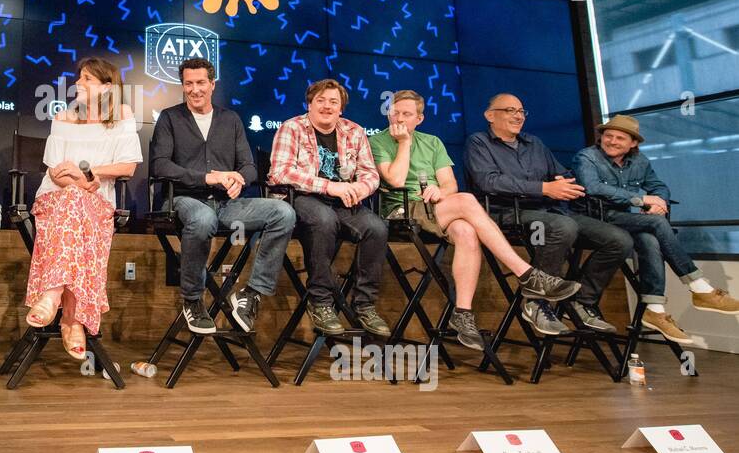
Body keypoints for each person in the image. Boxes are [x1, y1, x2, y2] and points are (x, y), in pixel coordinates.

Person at [369, 90, 580, 349]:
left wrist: (440, 191)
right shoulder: (377, 141)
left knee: (467, 231)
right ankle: (526, 273)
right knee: (468, 201)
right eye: (395, 112)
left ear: (420, 119)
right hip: (400, 211)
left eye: (407, 114)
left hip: (437, 208)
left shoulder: (432, 142)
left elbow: (450, 185)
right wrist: (403, 142)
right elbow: (396, 180)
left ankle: (463, 314)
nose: (399, 118)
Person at [464, 93, 633, 336]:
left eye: (521, 111)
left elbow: (559, 174)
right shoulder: (478, 142)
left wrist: (567, 184)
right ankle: (536, 300)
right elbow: (488, 182)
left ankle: (582, 301)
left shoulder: (535, 143)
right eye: (510, 110)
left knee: (620, 240)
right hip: (509, 215)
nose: (518, 116)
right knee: (562, 227)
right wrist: (544, 188)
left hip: (549, 211)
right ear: (490, 115)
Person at [149, 57, 295, 334]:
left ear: (212, 84)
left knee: (283, 212)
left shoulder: (230, 119)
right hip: (182, 199)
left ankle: (251, 293)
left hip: (227, 203)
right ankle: (192, 300)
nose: (195, 89)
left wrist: (241, 179)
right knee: (203, 218)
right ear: (183, 86)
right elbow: (160, 165)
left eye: (200, 82)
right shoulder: (170, 117)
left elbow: (250, 166)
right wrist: (207, 177)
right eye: (188, 84)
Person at [573, 114, 739, 344]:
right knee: (657, 224)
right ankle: (699, 287)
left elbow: (658, 186)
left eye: (619, 138)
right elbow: (592, 187)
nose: (611, 141)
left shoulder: (640, 162)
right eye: (608, 136)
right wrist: (641, 201)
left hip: (622, 218)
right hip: (593, 218)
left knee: (650, 238)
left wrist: (659, 201)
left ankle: (655, 309)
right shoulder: (587, 156)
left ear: (633, 144)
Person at [24, 58, 142, 359]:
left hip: (97, 207)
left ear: (107, 86)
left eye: (87, 79)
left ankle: (51, 297)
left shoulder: (123, 116)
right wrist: (78, 181)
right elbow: (54, 172)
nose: (78, 83)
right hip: (54, 201)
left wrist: (89, 174)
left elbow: (127, 166)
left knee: (78, 203)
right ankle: (73, 321)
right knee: (73, 199)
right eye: (79, 77)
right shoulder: (63, 117)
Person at [267, 78, 389, 337]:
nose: (327, 106)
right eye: (320, 100)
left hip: (344, 201)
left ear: (341, 108)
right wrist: (328, 186)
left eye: (333, 101)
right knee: (323, 219)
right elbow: (279, 172)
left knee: (376, 228)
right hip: (302, 198)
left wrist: (360, 188)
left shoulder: (354, 131)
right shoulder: (292, 128)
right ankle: (321, 301)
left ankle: (364, 304)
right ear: (309, 104)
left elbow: (370, 173)